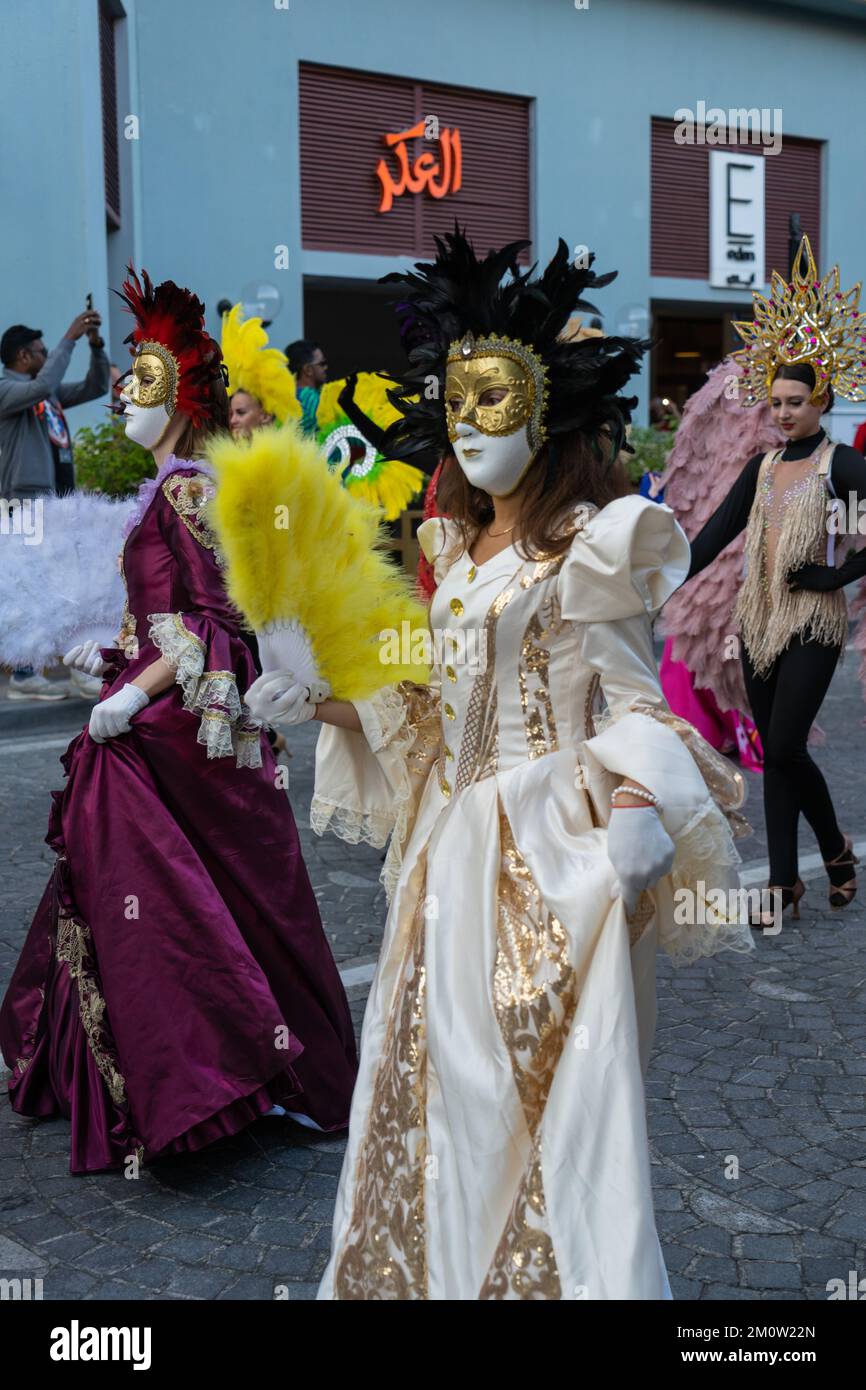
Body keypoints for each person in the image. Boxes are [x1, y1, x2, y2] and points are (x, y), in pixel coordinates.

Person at [248, 230, 752, 1300]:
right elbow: (431, 711)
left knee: (544, 1100)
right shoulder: (455, 553)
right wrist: (318, 703)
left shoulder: (591, 546)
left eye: (496, 400)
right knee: (431, 1086)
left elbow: (631, 701)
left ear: (545, 410)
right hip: (445, 857)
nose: (472, 424)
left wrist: (631, 808)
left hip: (541, 861)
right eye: (457, 400)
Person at [0, 267, 356, 1174]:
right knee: (197, 891)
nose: (124, 392)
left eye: (145, 381)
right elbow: (164, 616)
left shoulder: (189, 488)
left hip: (189, 730)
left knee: (193, 888)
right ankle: (220, 1068)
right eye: (126, 377)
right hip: (176, 716)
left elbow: (214, 620)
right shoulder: (172, 488)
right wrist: (110, 660)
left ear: (183, 400)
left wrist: (132, 691)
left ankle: (215, 1077)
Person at [682, 236, 866, 922]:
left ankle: (836, 848)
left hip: (813, 624)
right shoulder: (760, 468)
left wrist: (837, 572)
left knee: (786, 745)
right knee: (776, 758)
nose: (784, 412)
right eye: (777, 401)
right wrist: (660, 576)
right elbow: (715, 535)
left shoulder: (840, 466)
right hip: (755, 624)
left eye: (797, 401)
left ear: (821, 400)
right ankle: (785, 881)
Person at [658, 358, 783, 773]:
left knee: (731, 636)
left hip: (755, 538)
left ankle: (739, 729)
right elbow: (694, 463)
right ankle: (708, 730)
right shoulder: (732, 387)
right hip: (720, 533)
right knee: (698, 636)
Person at [0, 311, 110, 700]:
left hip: (54, 501)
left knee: (62, 584)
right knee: (30, 586)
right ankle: (25, 673)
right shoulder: (7, 389)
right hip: (21, 502)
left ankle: (78, 667)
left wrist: (95, 344)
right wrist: (71, 336)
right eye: (41, 351)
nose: (47, 357)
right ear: (22, 357)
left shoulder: (44, 393)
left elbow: (97, 387)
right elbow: (45, 383)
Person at [221, 303, 300, 437]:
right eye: (230, 414)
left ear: (265, 415)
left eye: (240, 413)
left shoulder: (285, 456)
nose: (232, 421)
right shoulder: (218, 456)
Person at [286, 338, 327, 436]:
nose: (326, 368)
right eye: (322, 364)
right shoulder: (312, 399)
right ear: (308, 370)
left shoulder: (286, 399)